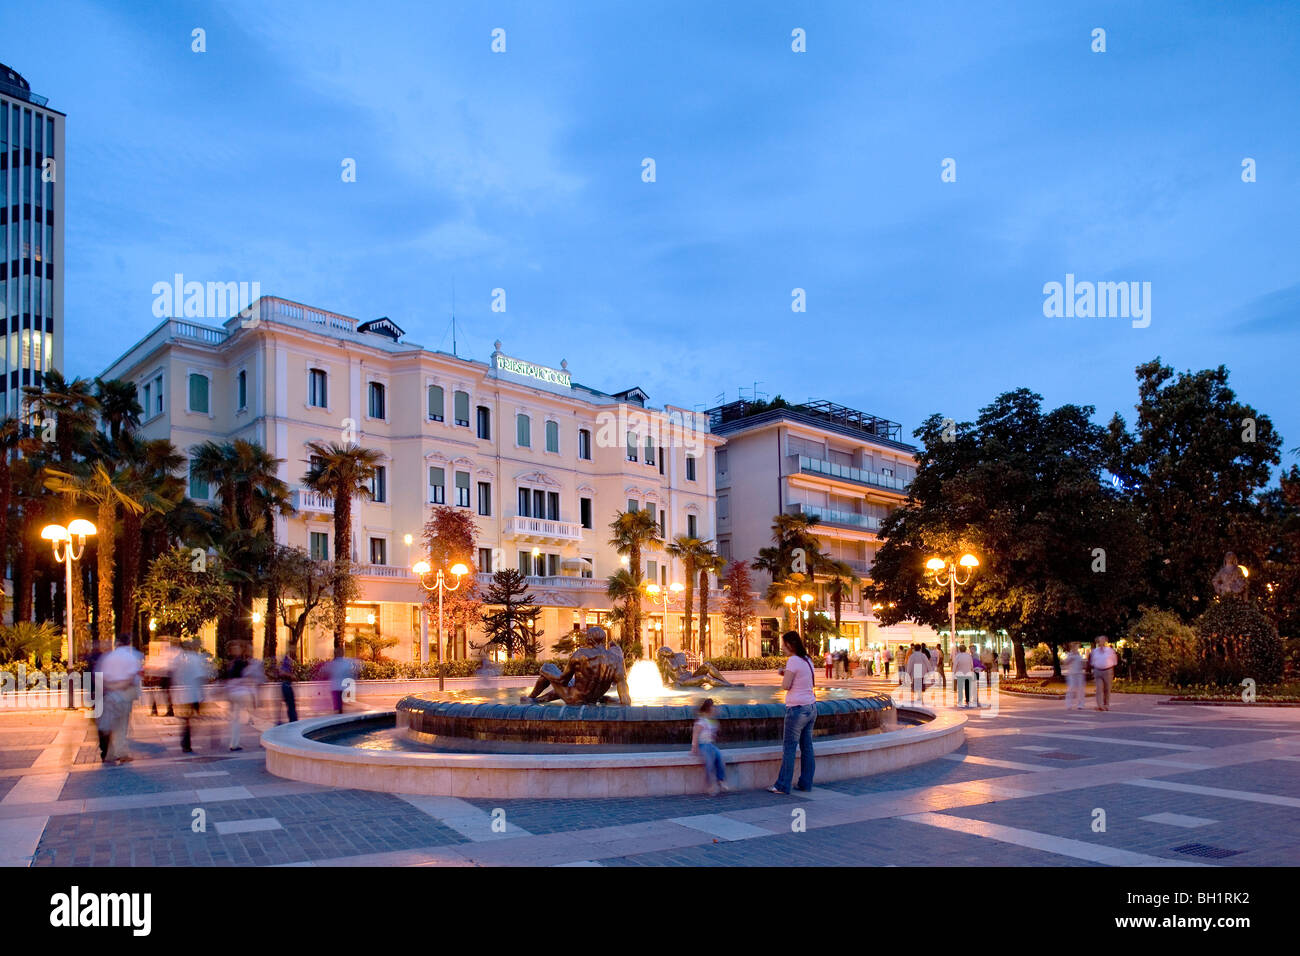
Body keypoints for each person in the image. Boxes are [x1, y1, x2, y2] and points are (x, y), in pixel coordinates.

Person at [768, 631, 817, 794]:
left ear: (790, 644)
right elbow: (802, 677)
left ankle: (782, 785)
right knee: (807, 747)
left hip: (796, 709)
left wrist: (785, 675)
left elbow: (786, 686)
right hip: (811, 707)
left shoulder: (793, 660)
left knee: (789, 748)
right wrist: (786, 672)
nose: (782, 647)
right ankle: (805, 783)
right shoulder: (807, 659)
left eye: (783, 644)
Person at [99, 633, 143, 764]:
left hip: (110, 693)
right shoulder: (131, 657)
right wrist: (121, 685)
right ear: (128, 643)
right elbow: (133, 677)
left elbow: (103, 677)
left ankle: (110, 754)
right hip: (124, 693)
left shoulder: (109, 657)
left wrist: (111, 687)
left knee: (113, 724)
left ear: (117, 643)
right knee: (121, 725)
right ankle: (121, 753)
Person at [171, 639, 209, 753]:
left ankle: (185, 741)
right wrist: (202, 692)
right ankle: (186, 742)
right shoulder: (194, 659)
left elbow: (174, 675)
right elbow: (199, 676)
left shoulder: (179, 659)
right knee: (191, 719)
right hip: (193, 693)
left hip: (182, 693)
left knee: (187, 718)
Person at [225, 643, 260, 751]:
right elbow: (248, 679)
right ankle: (236, 743)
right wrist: (254, 697)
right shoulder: (242, 663)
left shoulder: (231, 664)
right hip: (241, 694)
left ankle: (234, 744)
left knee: (235, 719)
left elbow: (228, 681)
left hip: (233, 694)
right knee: (245, 717)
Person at [691, 698, 728, 795]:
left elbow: (714, 729)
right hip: (702, 745)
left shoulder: (712, 721)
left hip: (710, 745)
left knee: (720, 758)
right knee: (709, 762)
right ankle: (710, 785)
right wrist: (694, 747)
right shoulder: (701, 721)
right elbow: (695, 734)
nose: (715, 710)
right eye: (713, 708)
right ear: (708, 710)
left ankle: (721, 780)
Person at [85, 638, 109, 761]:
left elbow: (88, 675)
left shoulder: (89, 658)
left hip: (95, 692)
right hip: (104, 692)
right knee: (106, 718)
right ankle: (106, 747)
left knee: (99, 718)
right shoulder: (103, 658)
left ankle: (104, 748)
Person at [1089, 635, 1118, 711]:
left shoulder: (1110, 650)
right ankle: (1100, 705)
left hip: (1107, 671)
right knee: (1099, 688)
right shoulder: (1095, 651)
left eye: (1102, 640)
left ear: (1105, 641)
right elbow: (1092, 661)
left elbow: (1115, 661)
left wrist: (1111, 669)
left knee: (1107, 689)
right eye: (1099, 641)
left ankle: (1106, 704)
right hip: (1098, 671)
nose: (1100, 642)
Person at [1063, 642, 1085, 711]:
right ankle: (1069, 704)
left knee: (1080, 690)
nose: (1076, 648)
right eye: (1075, 647)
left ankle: (1080, 705)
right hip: (1072, 674)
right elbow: (1065, 662)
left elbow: (1082, 664)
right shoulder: (1070, 654)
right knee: (1071, 689)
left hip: (1079, 674)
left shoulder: (1079, 655)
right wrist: (1070, 659)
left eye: (1077, 647)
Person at [952, 643, 975, 708]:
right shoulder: (969, 656)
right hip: (968, 673)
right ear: (965, 649)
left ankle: (960, 700)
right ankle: (967, 699)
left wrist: (953, 673)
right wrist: (972, 670)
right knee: (967, 687)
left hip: (960, 674)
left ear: (959, 649)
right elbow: (971, 665)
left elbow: (955, 665)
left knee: (960, 688)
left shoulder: (958, 656)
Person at [277, 652, 298, 724]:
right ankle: (293, 721)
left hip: (287, 685)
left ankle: (292, 720)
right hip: (286, 686)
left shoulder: (287, 662)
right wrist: (291, 676)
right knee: (290, 704)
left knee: (290, 704)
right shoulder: (286, 662)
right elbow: (282, 672)